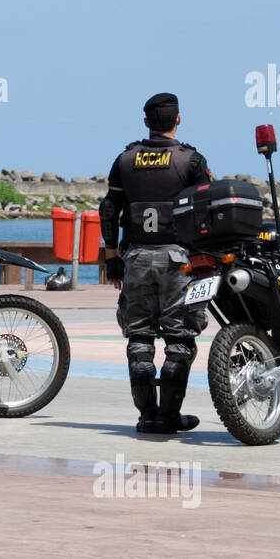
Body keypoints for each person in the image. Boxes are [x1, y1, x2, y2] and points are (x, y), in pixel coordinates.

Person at [99, 92, 213, 433]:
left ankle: (147, 416)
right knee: (179, 340)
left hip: (135, 257)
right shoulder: (191, 161)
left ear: (146, 122)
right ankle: (169, 416)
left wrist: (111, 256)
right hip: (179, 260)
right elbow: (206, 212)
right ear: (178, 120)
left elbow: (108, 210)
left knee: (139, 338)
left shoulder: (125, 159)